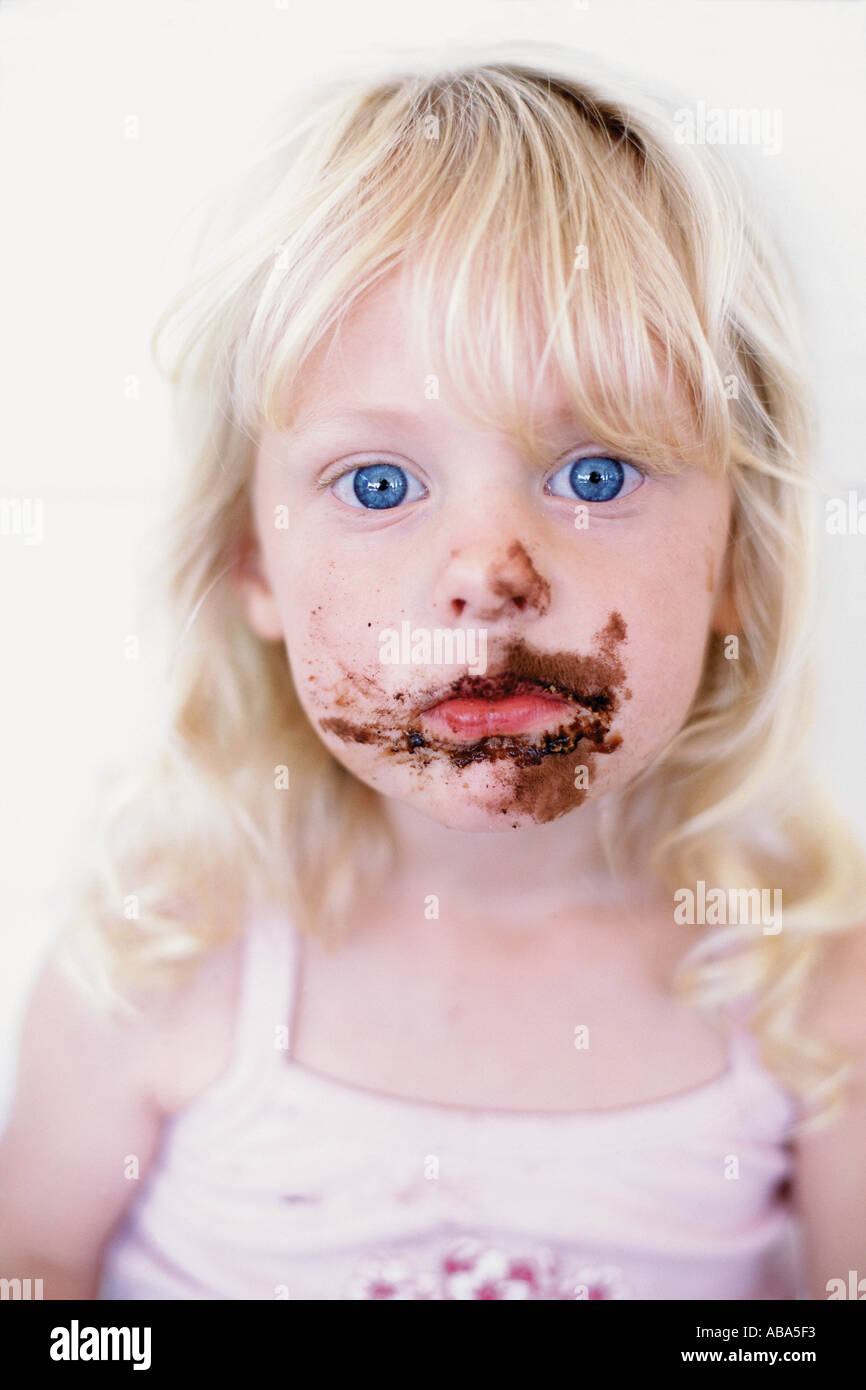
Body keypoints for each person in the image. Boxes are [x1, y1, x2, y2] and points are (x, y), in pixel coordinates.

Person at [2, 50, 865, 1302]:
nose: (489, 575)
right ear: (251, 556)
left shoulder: (807, 992)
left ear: (737, 552)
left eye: (595, 474)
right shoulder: (163, 950)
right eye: (377, 484)